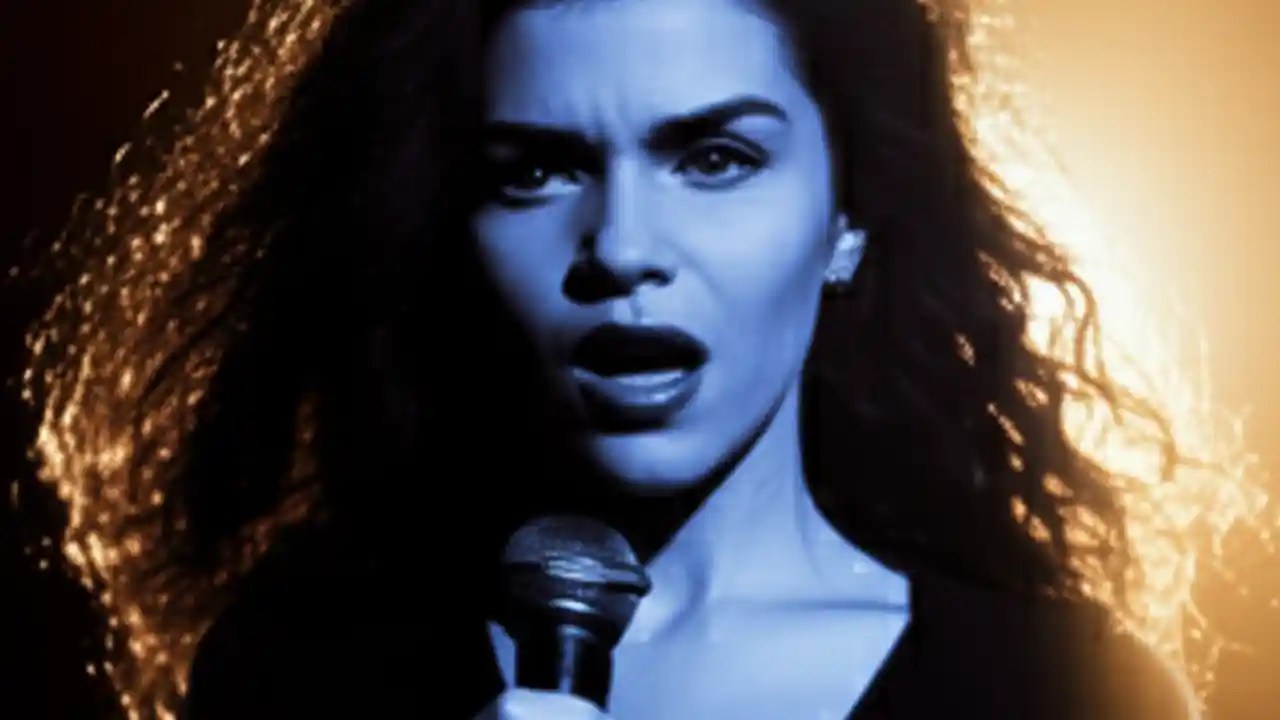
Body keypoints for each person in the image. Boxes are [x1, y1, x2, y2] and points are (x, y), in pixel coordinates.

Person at [26, 0, 1206, 718]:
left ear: (847, 213)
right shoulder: (302, 672)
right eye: (534, 171)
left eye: (714, 159)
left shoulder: (1060, 692)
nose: (622, 248)